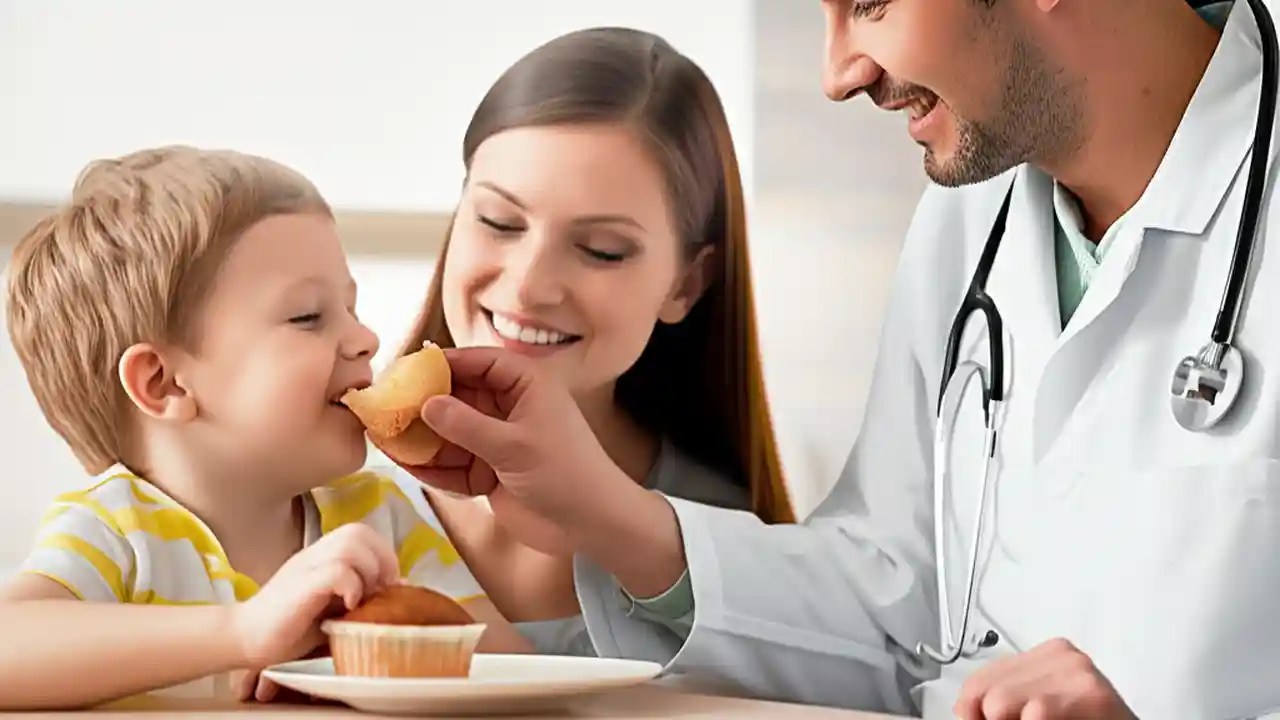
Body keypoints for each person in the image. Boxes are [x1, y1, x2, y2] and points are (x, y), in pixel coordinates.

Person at [404, 1, 1280, 718]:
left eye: (868, 4)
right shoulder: (972, 217)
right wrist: (608, 514)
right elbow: (897, 612)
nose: (838, 73)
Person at [0, 146, 527, 711]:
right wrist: (243, 632)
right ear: (165, 384)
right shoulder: (116, 531)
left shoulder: (379, 518)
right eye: (307, 316)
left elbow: (514, 672)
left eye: (351, 308)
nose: (366, 338)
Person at [391, 27, 796, 657]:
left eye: (601, 250)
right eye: (498, 221)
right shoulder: (321, 486)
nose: (528, 289)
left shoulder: (727, 556)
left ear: (685, 285)